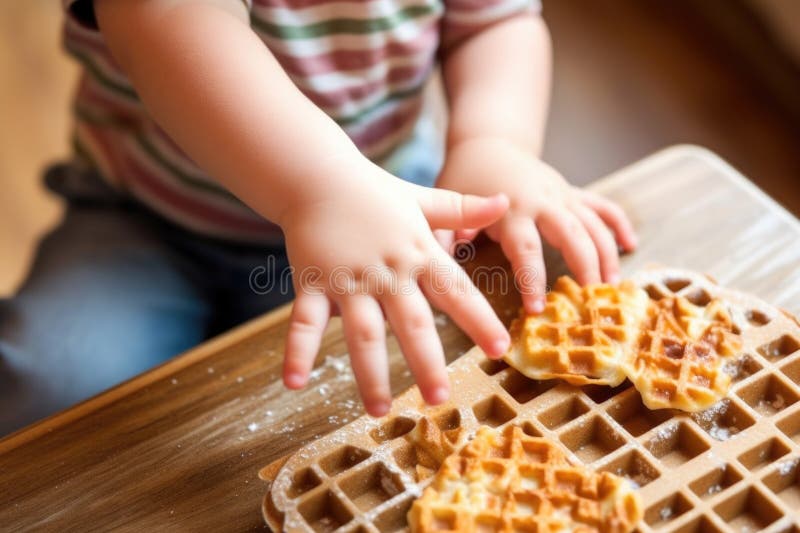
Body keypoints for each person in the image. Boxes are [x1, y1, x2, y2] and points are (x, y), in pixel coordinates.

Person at [0, 0, 636, 435]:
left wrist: (492, 143)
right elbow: (162, 16)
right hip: (148, 217)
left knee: (365, 406)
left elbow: (493, 22)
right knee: (54, 384)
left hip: (387, 218)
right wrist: (318, 186)